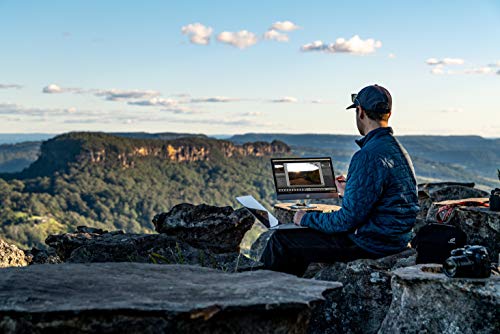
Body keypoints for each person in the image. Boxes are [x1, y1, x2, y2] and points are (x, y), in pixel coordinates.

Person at [260, 84, 420, 276]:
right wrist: (350, 190)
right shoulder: (397, 149)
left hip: (371, 243)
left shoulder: (367, 156)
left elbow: (346, 221)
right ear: (389, 113)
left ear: (360, 112)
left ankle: (264, 298)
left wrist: (305, 218)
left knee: (282, 240)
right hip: (394, 239)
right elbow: (387, 197)